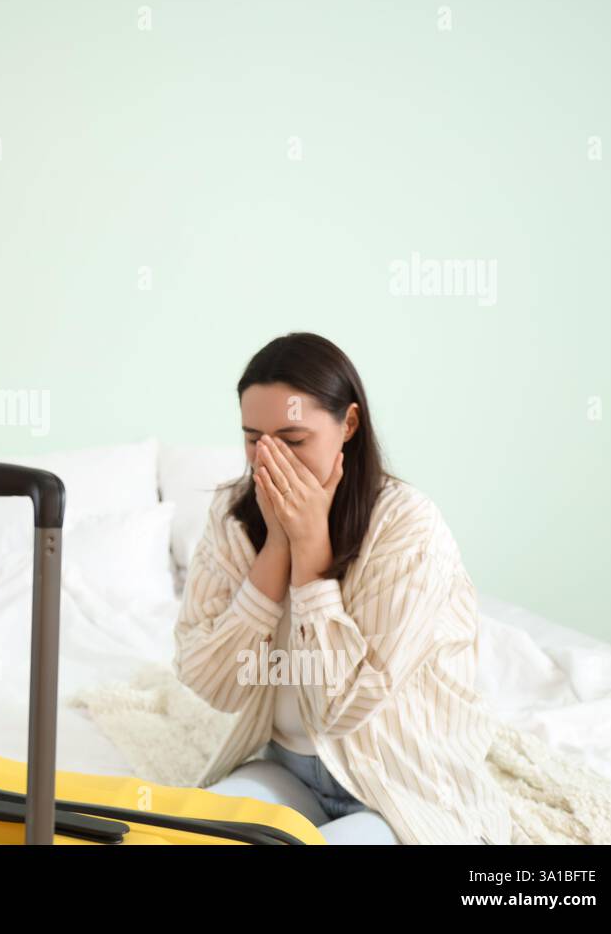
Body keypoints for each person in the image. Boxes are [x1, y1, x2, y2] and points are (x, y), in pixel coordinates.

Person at [174, 332, 512, 844]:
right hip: (284, 769)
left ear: (348, 424)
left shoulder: (407, 528)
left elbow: (342, 708)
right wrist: (276, 551)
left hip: (397, 781)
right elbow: (214, 683)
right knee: (190, 838)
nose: (270, 463)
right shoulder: (234, 515)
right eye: (253, 440)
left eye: (292, 441)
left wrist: (310, 552)